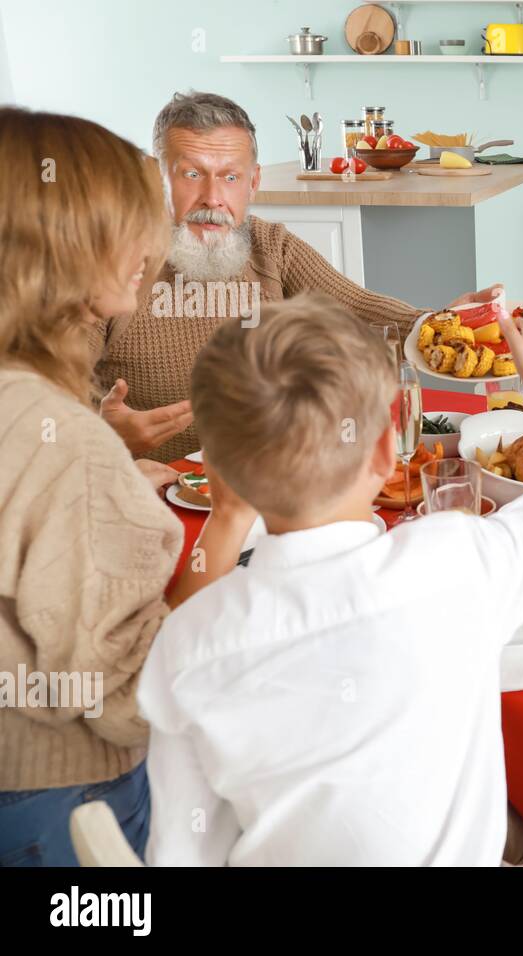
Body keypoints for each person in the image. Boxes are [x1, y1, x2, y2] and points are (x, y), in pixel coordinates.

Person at [136, 294, 523, 865]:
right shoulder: (455, 563)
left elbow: (180, 853)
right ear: (388, 451)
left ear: (218, 474)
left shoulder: (185, 643)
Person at [0, 108, 249, 867]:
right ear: (68, 248)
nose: (152, 245)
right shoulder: (65, 445)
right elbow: (131, 689)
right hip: (61, 800)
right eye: (132, 226)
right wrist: (231, 520)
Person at [92, 90, 495, 463]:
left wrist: (436, 324)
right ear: (156, 178)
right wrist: (101, 432)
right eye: (192, 174)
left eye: (230, 177)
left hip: (274, 486)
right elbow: (45, 389)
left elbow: (353, 308)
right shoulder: (111, 265)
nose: (213, 197)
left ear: (253, 182)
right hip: (160, 495)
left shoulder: (271, 246)